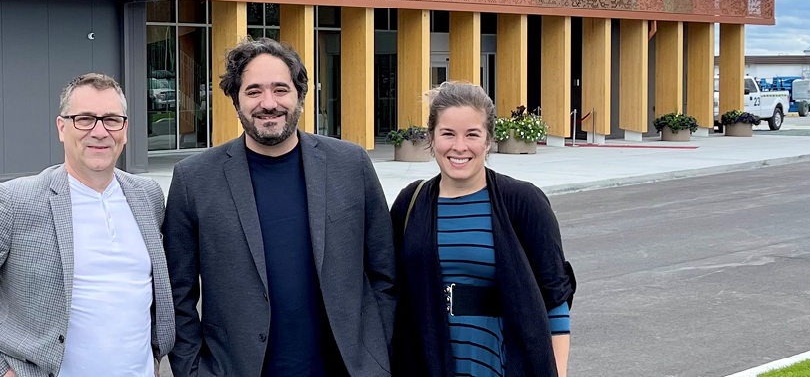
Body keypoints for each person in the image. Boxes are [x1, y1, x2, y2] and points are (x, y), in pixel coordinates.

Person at [163, 37, 395, 377]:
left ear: (300, 94)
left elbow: (384, 274)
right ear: (235, 99)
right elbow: (177, 293)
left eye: (280, 89)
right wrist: (193, 370)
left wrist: (375, 354)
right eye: (254, 91)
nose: (268, 103)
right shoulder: (194, 178)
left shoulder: (351, 164)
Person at [391, 81, 575, 377]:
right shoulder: (410, 203)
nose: (459, 146)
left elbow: (555, 301)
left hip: (500, 364)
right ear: (432, 138)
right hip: (425, 363)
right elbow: (390, 293)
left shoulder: (523, 202)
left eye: (472, 135)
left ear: (488, 140)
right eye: (448, 134)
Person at [0, 73, 174, 377]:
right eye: (84, 119)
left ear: (125, 129)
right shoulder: (16, 201)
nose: (99, 131)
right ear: (61, 128)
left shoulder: (148, 196)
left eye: (111, 119)